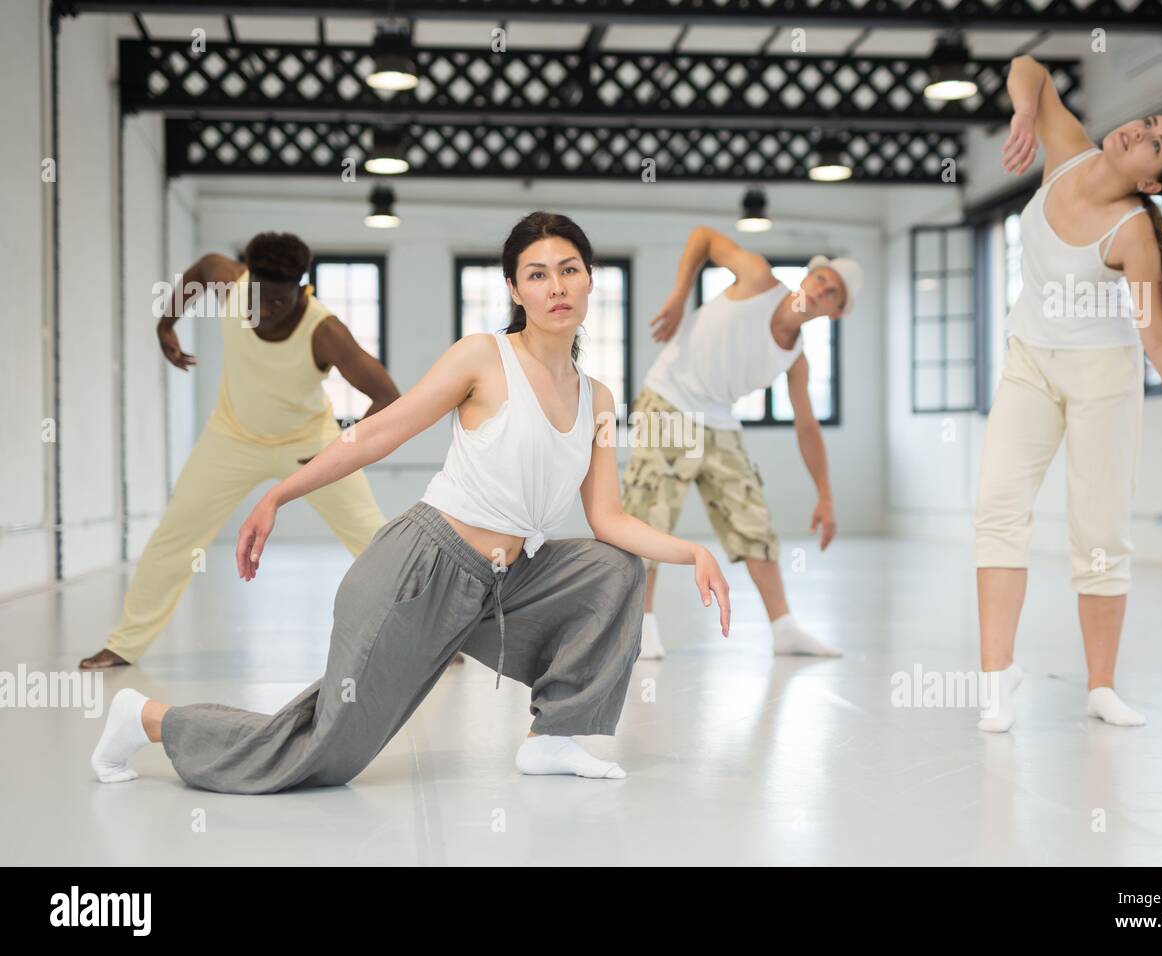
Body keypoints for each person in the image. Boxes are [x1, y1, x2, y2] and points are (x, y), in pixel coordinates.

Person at [90, 211, 731, 792]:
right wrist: (280, 493)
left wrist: (690, 551)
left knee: (614, 567)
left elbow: (608, 519)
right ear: (515, 289)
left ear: (590, 280)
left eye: (568, 270)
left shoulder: (598, 398)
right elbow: (377, 431)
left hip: (508, 582)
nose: (556, 287)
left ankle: (554, 737)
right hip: (421, 572)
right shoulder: (483, 357)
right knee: (323, 755)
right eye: (537, 275)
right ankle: (145, 719)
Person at [973, 55, 1162, 732]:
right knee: (997, 507)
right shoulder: (1068, 152)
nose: (1136, 133)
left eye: (1154, 142)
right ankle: (997, 679)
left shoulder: (1133, 232)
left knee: (1098, 534)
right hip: (1029, 359)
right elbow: (1027, 66)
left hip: (1101, 378)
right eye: (1146, 122)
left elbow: (1159, 341)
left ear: (1152, 179)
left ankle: (1102, 687)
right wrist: (1026, 111)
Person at [81, 233, 397, 669]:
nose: (262, 311)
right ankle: (124, 644)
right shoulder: (226, 278)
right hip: (231, 438)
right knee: (176, 534)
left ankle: (433, 637)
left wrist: (339, 450)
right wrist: (165, 325)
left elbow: (387, 397)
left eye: (277, 303)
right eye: (256, 298)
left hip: (308, 444)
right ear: (247, 279)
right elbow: (198, 273)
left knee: (373, 538)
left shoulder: (324, 331)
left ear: (301, 291)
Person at [621, 226, 862, 658]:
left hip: (717, 418)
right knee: (649, 514)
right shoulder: (758, 278)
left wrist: (825, 496)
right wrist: (680, 296)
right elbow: (703, 237)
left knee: (754, 522)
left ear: (836, 312)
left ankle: (784, 629)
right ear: (808, 278)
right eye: (821, 279)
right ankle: (642, 624)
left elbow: (807, 427)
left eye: (833, 294)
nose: (822, 290)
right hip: (670, 398)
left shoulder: (797, 359)